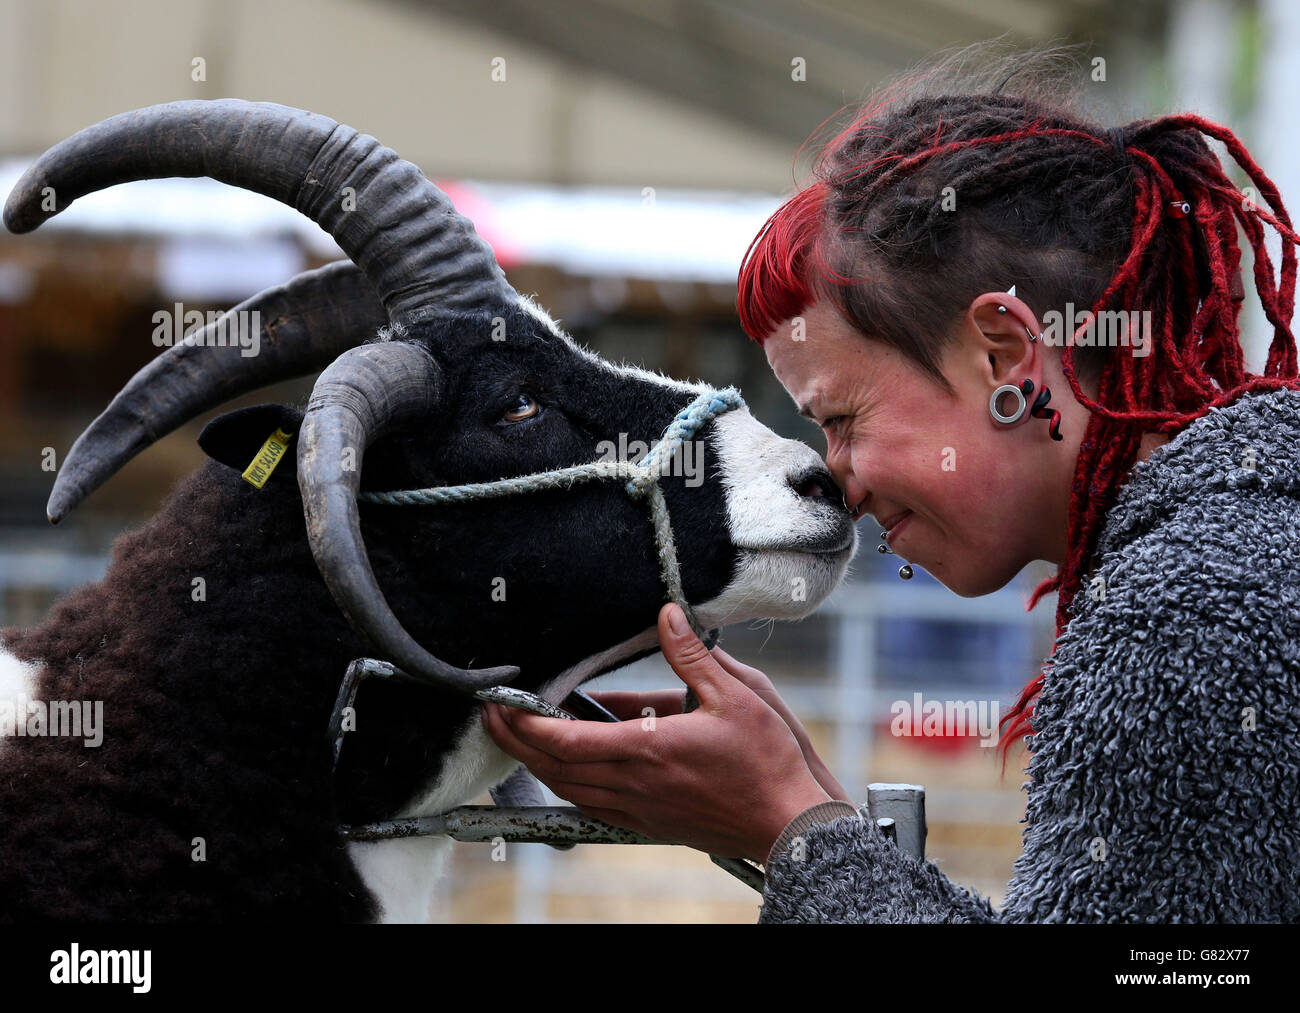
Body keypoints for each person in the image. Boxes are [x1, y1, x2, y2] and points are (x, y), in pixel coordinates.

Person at [480, 45, 1300, 922]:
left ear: (1006, 353)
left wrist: (793, 831)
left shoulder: (1189, 615)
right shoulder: (1234, 556)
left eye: (841, 420)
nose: (842, 482)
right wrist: (804, 812)